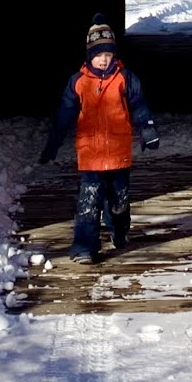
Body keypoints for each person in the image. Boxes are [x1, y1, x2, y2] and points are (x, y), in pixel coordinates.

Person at [38, 14, 159, 262]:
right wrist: (54, 142)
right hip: (91, 153)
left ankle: (119, 230)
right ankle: (84, 247)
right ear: (89, 55)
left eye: (108, 54)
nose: (103, 60)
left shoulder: (126, 78)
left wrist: (148, 131)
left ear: (114, 54)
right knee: (89, 201)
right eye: (98, 54)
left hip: (118, 152)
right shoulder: (79, 82)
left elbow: (140, 108)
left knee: (118, 199)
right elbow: (64, 114)